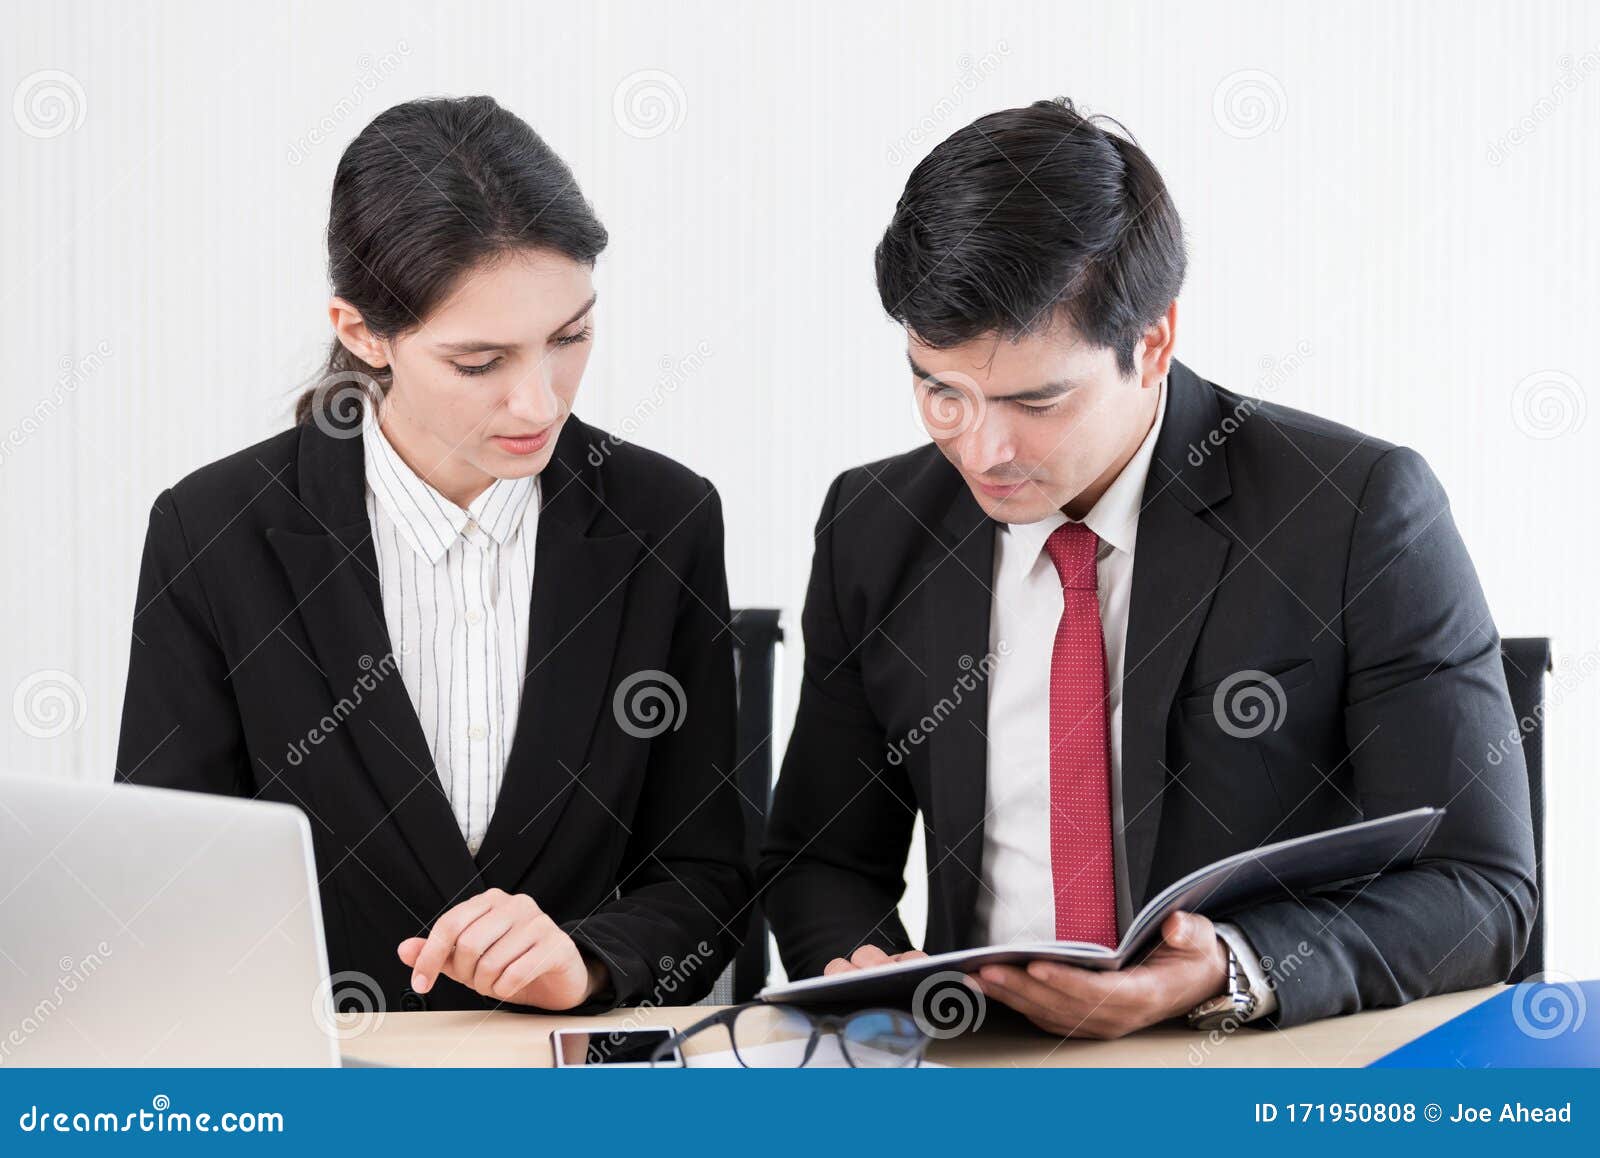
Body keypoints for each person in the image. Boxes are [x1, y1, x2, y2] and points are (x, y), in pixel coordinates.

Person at [758, 98, 1536, 1036]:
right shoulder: (874, 527)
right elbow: (823, 861)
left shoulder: (1355, 512)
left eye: (1037, 402)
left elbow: (1480, 888)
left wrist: (1231, 967)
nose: (983, 450)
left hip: (1245, 1061)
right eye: (939, 390)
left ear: (1154, 341)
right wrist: (873, 984)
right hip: (977, 1069)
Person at [117, 95, 748, 1014]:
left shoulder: (666, 519)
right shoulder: (214, 531)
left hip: (566, 1073)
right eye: (479, 362)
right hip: (318, 1073)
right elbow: (164, 881)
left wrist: (588, 963)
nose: (540, 403)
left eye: (570, 338)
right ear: (361, 332)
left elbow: (706, 874)